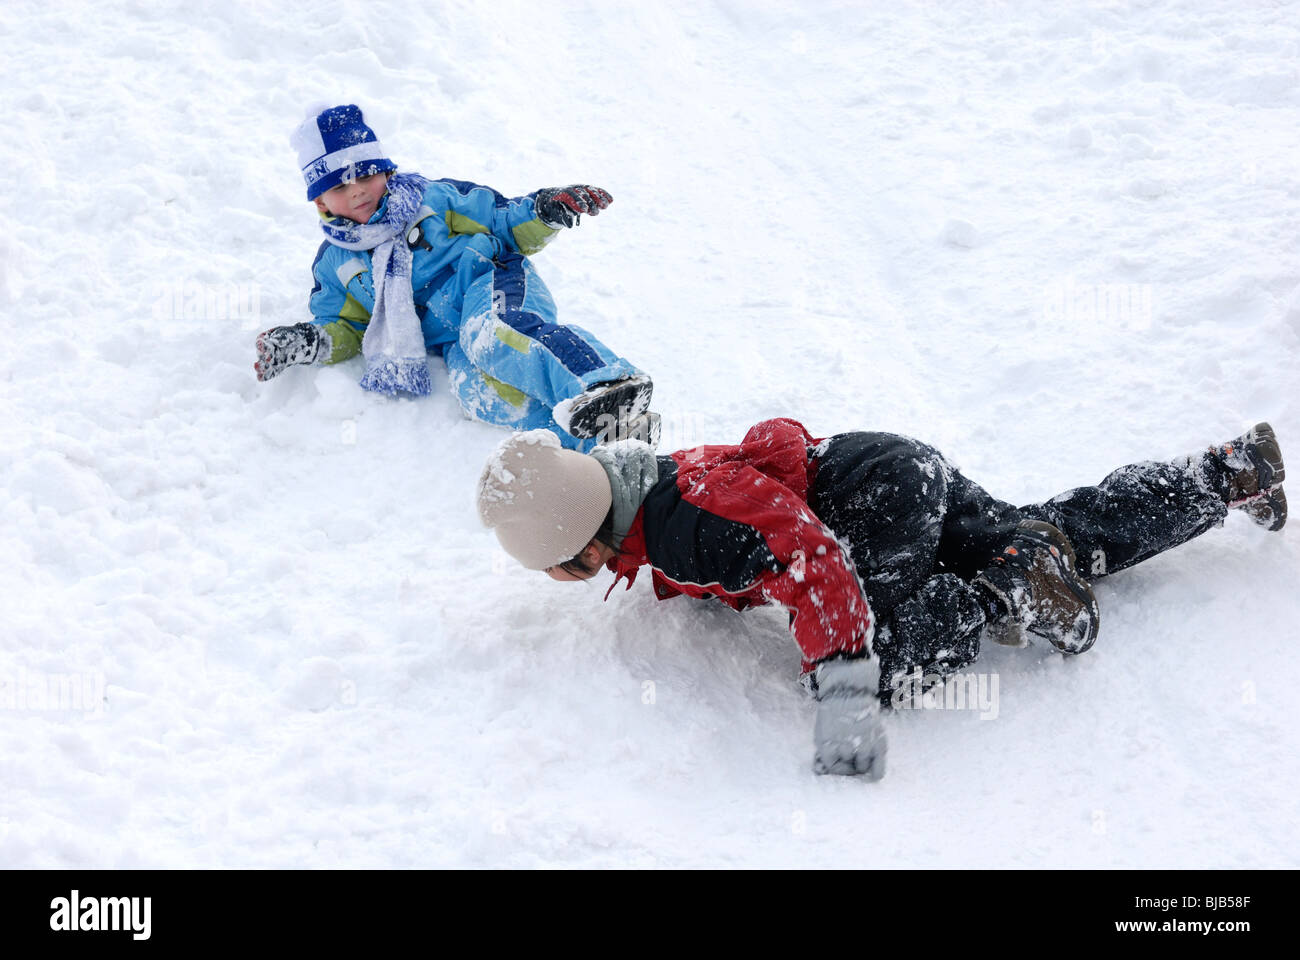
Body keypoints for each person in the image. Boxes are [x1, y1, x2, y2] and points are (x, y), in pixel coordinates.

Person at [475, 418, 1286, 780]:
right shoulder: (638, 490)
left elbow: (812, 557)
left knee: (877, 656)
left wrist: (846, 695)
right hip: (889, 467)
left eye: (551, 565)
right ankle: (1225, 473)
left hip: (873, 500)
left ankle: (996, 590)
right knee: (1050, 531)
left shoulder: (687, 525)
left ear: (583, 545)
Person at [254, 103, 656, 450]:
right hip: (449, 338)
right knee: (479, 394)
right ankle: (606, 439)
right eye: (339, 186)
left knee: (493, 335)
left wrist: (545, 209)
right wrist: (309, 341)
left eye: (364, 175)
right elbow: (346, 325)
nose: (356, 190)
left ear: (386, 171)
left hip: (490, 281)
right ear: (320, 200)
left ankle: (605, 383)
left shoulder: (432, 199)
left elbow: (502, 219)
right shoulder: (335, 264)